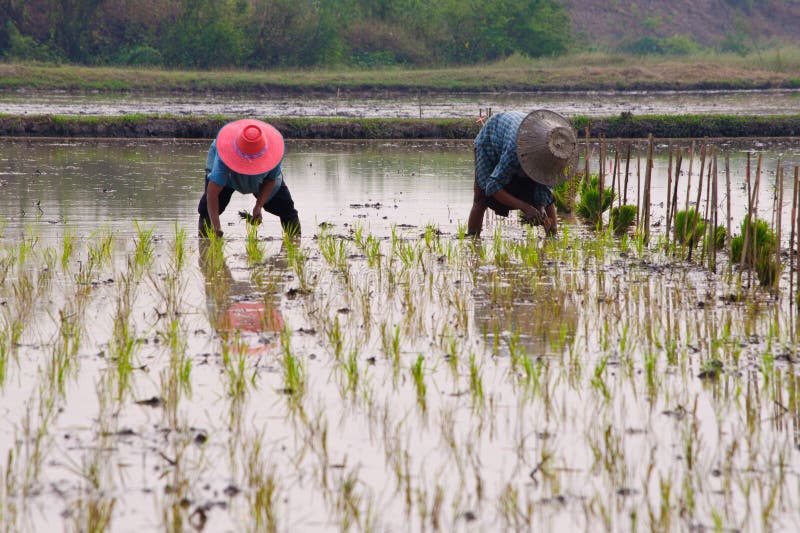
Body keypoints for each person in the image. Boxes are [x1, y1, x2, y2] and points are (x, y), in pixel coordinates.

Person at [467, 109, 577, 237]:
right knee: (480, 198)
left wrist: (540, 207)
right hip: (491, 139)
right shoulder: (516, 149)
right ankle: (472, 238)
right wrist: (525, 207)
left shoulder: (554, 156)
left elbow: (544, 188)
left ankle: (552, 237)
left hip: (516, 137)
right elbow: (492, 186)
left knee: (548, 202)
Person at [198, 119, 300, 238]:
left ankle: (296, 240)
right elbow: (212, 193)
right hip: (229, 176)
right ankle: (205, 244)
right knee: (207, 212)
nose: (250, 163)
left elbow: (271, 179)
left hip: (261, 178)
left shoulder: (273, 154)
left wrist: (258, 206)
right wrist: (217, 228)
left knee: (286, 208)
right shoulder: (223, 156)